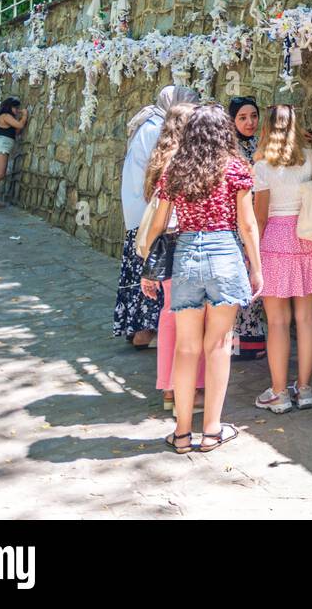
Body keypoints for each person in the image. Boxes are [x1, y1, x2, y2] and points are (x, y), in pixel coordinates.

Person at [145, 103, 264, 452]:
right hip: (225, 253)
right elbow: (247, 224)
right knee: (218, 346)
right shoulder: (236, 170)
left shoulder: (176, 171)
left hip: (185, 255)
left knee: (186, 347)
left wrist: (147, 264)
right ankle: (211, 430)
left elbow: (158, 222)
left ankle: (181, 433)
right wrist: (255, 268)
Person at [251, 105, 312, 413]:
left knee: (277, 321)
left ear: (267, 130)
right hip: (309, 238)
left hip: (275, 243)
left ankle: (279, 393)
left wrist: (252, 256)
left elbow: (259, 217)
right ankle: (305, 389)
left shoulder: (261, 167)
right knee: (306, 318)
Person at [114, 85, 200, 348]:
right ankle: (148, 333)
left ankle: (139, 330)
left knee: (141, 270)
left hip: (140, 211)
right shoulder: (157, 129)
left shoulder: (149, 124)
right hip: (151, 215)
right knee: (153, 272)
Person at [136, 103, 206, 413]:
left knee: (168, 316)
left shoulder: (159, 161)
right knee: (192, 319)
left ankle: (168, 387)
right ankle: (190, 388)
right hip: (187, 242)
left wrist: (146, 262)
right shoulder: (190, 163)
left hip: (164, 246)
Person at [228, 95, 267, 361]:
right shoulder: (227, 150)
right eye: (242, 117)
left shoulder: (262, 144)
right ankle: (231, 341)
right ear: (232, 121)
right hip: (234, 224)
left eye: (253, 116)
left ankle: (252, 341)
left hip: (258, 222)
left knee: (254, 278)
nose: (249, 122)